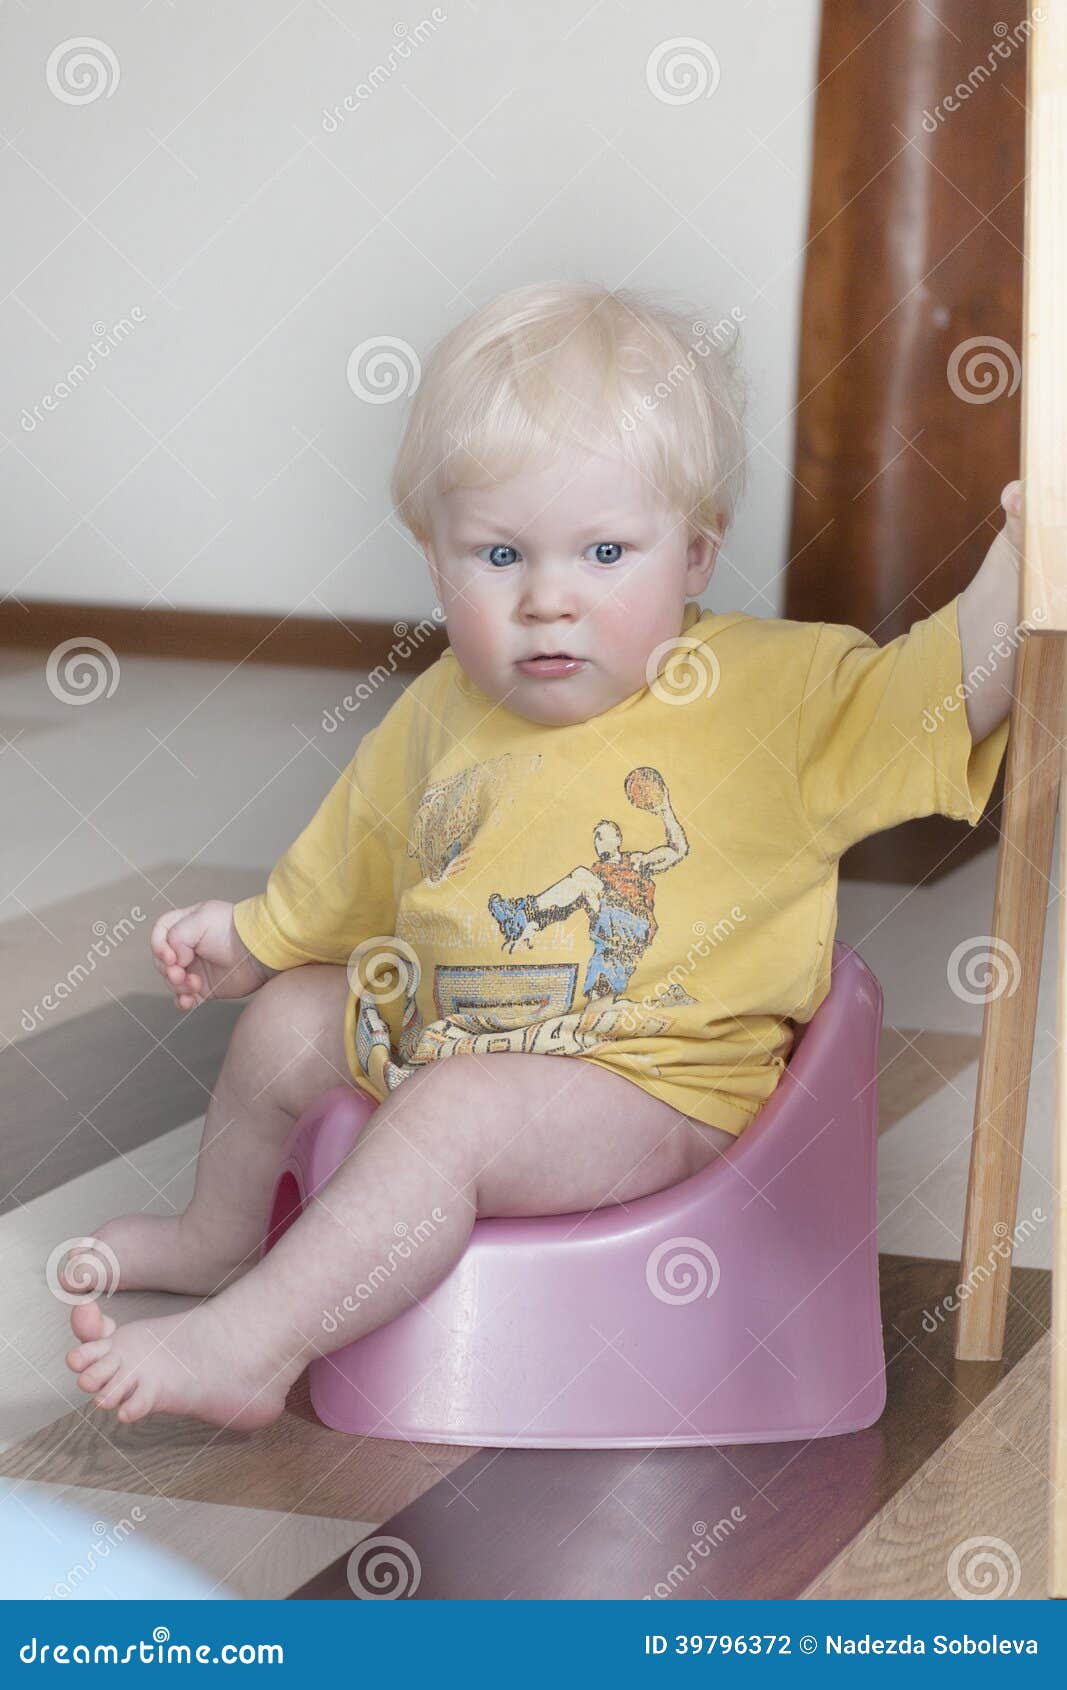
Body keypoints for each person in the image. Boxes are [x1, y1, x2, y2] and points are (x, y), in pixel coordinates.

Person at [58, 280, 1018, 1430]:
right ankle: (218, 1238)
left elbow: (940, 692)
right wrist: (255, 939)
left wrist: (1025, 558)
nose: (548, 600)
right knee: (287, 1022)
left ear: (695, 552)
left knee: (453, 1119)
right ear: (435, 562)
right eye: (500, 554)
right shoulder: (438, 708)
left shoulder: (776, 694)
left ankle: (253, 1345)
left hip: (651, 1090)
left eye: (604, 551)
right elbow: (357, 865)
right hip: (456, 1036)